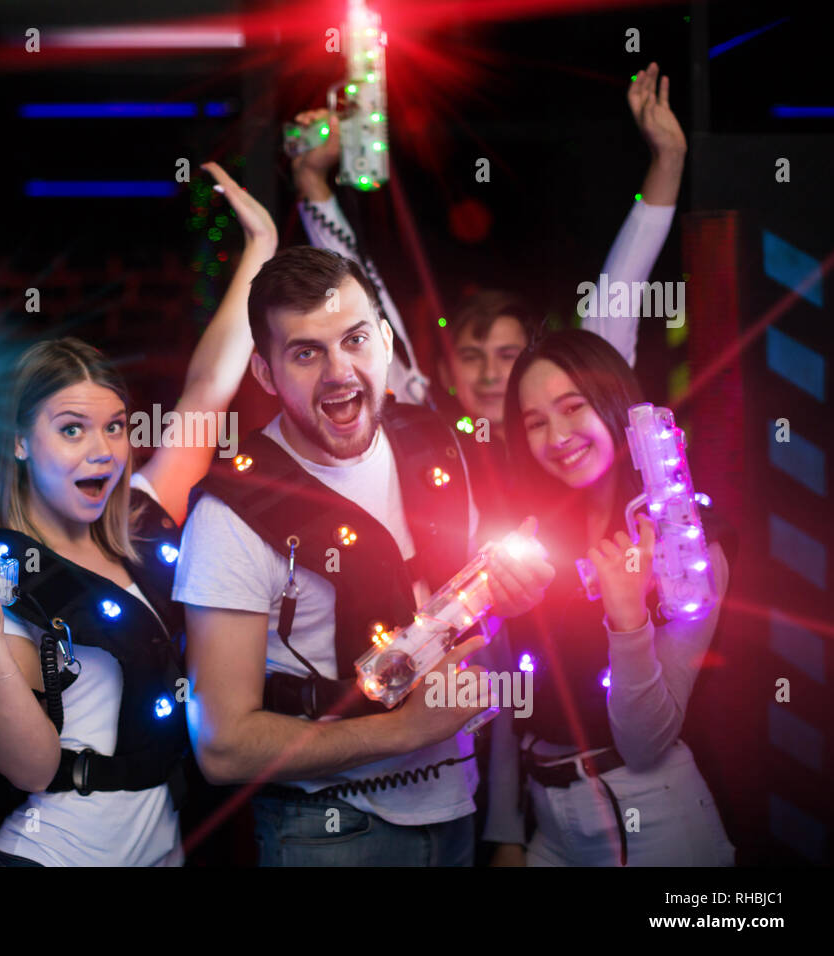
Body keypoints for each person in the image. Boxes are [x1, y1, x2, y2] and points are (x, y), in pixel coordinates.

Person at [0, 163, 276, 866]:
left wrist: (261, 249)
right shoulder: (1, 569)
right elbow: (27, 767)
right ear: (21, 442)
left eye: (115, 427)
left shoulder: (142, 520)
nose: (101, 450)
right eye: (72, 429)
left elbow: (207, 389)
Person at [173, 244, 556, 866]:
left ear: (383, 340)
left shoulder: (437, 443)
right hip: (329, 830)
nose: (338, 371)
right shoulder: (232, 512)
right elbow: (222, 747)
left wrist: (511, 594)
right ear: (266, 375)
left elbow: (461, 608)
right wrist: (400, 731)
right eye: (305, 352)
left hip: (459, 805)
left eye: (354, 339)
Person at [294, 63, 688, 538]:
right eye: (470, 357)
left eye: (508, 356)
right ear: (442, 373)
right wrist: (314, 186)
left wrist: (668, 159)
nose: (488, 375)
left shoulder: (584, 400)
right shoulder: (428, 431)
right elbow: (365, 308)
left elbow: (623, 282)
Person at [481, 329, 735, 866]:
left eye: (573, 408)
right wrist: (505, 831)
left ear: (615, 404)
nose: (557, 436)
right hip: (545, 822)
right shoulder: (535, 541)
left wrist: (627, 618)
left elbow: (647, 744)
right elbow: (509, 698)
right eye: (535, 422)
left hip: (653, 822)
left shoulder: (686, 545)